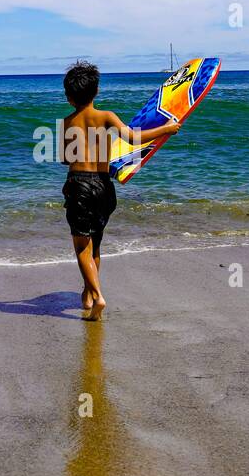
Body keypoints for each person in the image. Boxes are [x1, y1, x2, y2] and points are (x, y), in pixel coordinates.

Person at [60, 61, 179, 320]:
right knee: (96, 245)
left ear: (69, 97)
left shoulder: (67, 123)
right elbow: (134, 138)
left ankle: (98, 296)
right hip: (104, 186)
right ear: (97, 92)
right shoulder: (107, 116)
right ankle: (89, 295)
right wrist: (166, 130)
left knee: (81, 248)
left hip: (79, 184)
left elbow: (65, 159)